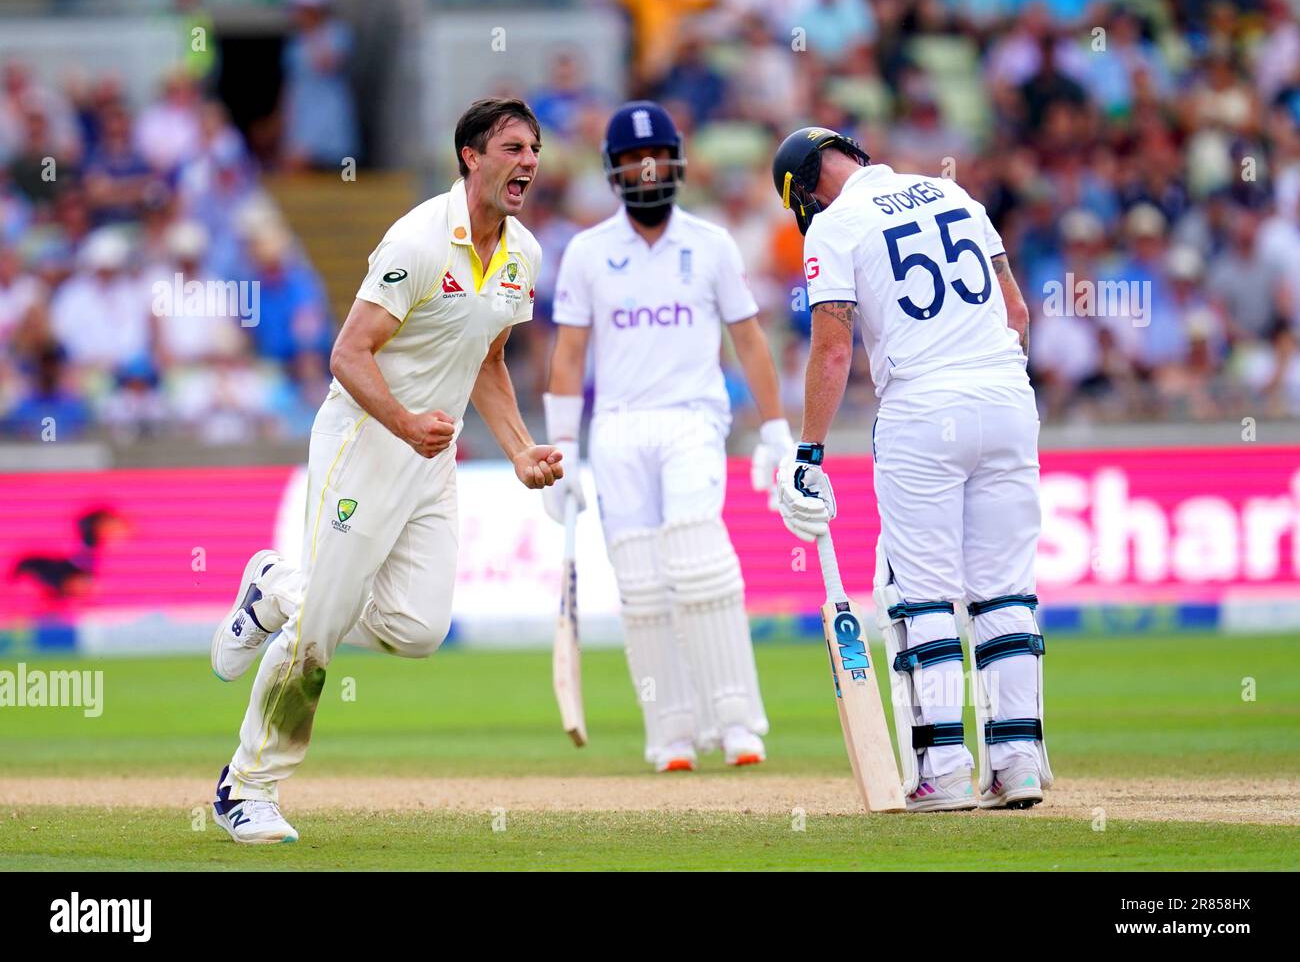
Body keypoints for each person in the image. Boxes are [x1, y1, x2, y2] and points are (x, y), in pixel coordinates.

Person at [209, 98, 559, 843]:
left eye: (534, 148)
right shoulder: (418, 239)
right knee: (317, 636)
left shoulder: (523, 252)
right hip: (366, 440)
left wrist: (523, 447)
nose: (528, 160)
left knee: (421, 626)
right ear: (471, 155)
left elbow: (488, 361)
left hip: (433, 453)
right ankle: (247, 785)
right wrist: (403, 423)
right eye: (512, 147)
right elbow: (347, 353)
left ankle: (277, 586)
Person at [770, 126, 1052, 812]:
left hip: (923, 409)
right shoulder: (956, 194)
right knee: (1005, 590)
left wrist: (807, 451)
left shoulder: (834, 226)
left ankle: (944, 768)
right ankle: (1017, 762)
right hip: (1008, 396)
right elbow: (1016, 312)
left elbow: (833, 351)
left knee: (921, 595)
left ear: (804, 188)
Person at [543, 101, 792, 773]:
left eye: (656, 156)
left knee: (700, 562)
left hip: (692, 418)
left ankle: (738, 722)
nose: (647, 168)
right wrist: (561, 449)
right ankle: (672, 733)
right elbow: (568, 355)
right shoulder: (588, 252)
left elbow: (748, 338)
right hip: (618, 427)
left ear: (677, 162)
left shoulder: (710, 244)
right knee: (643, 587)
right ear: (615, 169)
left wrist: (776, 432)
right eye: (633, 159)